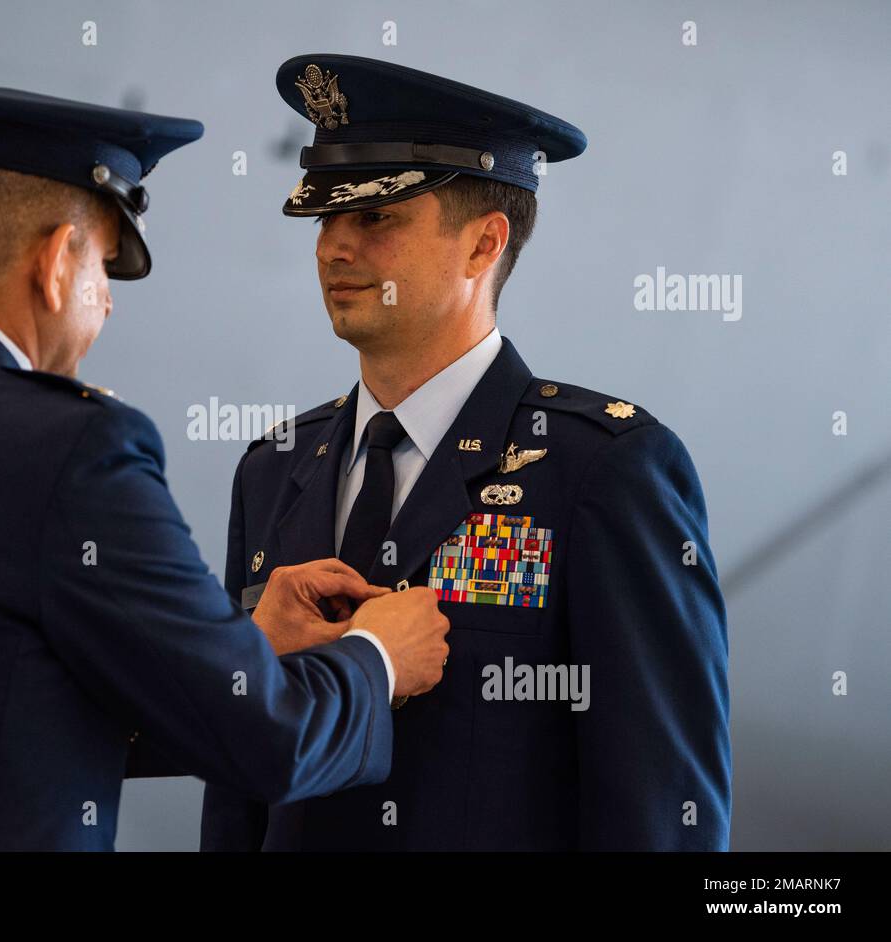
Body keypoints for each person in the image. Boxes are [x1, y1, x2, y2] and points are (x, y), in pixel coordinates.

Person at [0, 84, 449, 851]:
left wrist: (246, 651)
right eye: (102, 266)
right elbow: (271, 744)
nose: (105, 305)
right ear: (58, 262)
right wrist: (378, 659)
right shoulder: (69, 448)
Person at [200, 55, 731, 851]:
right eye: (325, 219)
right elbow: (240, 786)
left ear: (485, 244)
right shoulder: (276, 465)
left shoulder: (603, 470)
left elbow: (663, 808)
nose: (333, 248)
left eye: (376, 218)